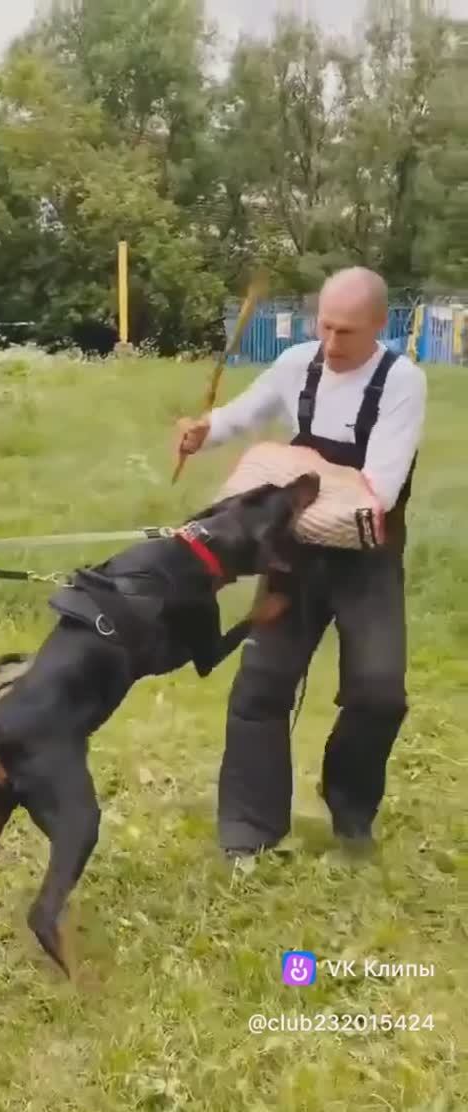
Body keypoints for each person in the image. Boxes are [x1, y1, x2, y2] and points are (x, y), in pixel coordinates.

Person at [175, 267, 427, 856]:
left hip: (367, 558)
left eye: (347, 332)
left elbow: (379, 491)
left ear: (379, 325)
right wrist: (204, 431)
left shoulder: (401, 382)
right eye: (325, 326)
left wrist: (284, 472)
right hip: (293, 555)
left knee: (379, 694)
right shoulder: (296, 364)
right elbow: (242, 414)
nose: (332, 343)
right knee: (260, 688)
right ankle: (248, 833)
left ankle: (351, 812)